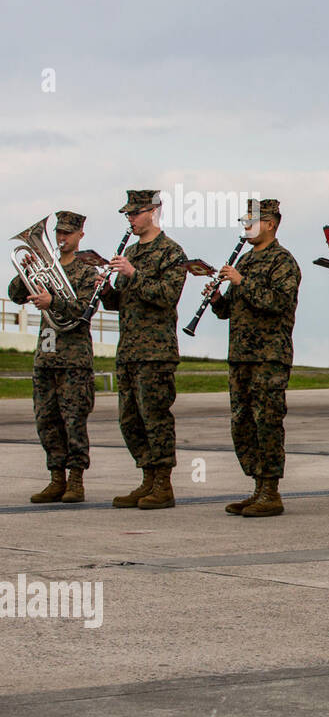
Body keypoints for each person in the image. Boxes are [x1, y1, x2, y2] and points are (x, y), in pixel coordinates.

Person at [207, 199, 301, 517]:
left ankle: (270, 491)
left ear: (271, 223)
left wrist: (241, 282)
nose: (245, 226)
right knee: (242, 423)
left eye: (252, 220)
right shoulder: (245, 261)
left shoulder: (283, 262)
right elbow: (231, 310)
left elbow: (278, 302)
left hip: (269, 356)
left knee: (267, 422)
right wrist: (218, 297)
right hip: (241, 357)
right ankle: (257, 486)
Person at [101, 189, 188, 509]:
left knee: (155, 417)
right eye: (128, 214)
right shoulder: (131, 253)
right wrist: (105, 288)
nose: (131, 219)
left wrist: (133, 274)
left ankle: (163, 483)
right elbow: (119, 302)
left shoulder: (171, 252)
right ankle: (147, 478)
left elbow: (167, 295)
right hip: (129, 350)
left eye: (135, 213)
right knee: (129, 419)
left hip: (156, 351)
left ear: (153, 211)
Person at [7, 211, 98, 503]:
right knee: (46, 419)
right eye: (59, 233)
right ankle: (55, 477)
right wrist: (26, 272)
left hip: (74, 359)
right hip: (46, 357)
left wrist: (53, 300)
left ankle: (76, 480)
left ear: (80, 235)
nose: (61, 238)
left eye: (68, 234)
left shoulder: (87, 271)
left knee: (73, 419)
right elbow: (14, 294)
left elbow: (85, 311)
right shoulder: (47, 267)